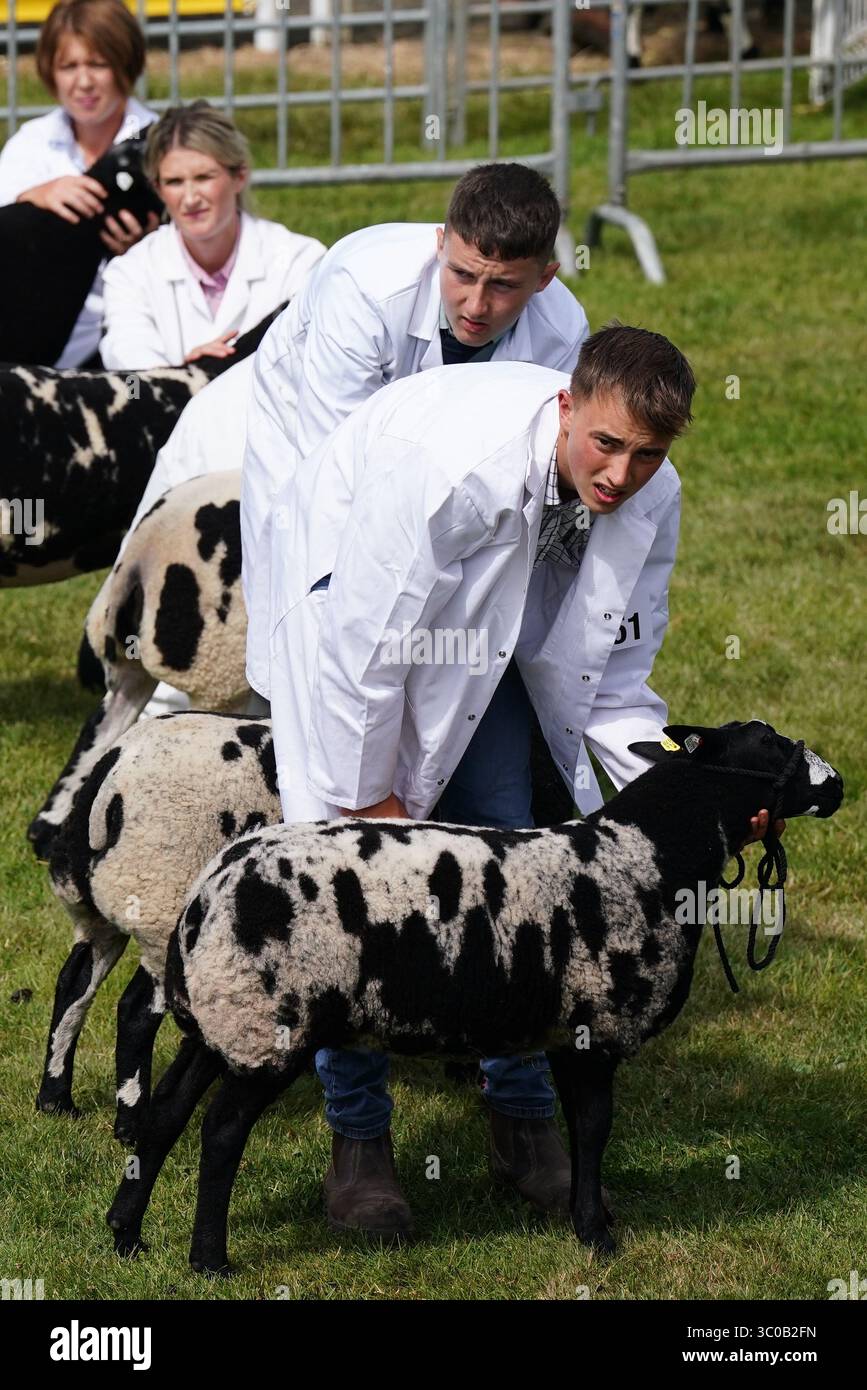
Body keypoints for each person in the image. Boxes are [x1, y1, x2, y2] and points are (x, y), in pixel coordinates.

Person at [253, 324, 698, 1239]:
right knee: (354, 900)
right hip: (348, 613)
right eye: (606, 444)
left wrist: (682, 795)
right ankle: (360, 1143)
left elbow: (615, 670)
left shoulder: (652, 496)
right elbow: (363, 646)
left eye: (646, 455)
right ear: (568, 406)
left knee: (511, 858)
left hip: (482, 644)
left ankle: (522, 1115)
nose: (620, 474)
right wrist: (372, 806)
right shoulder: (454, 466)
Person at [240, 161, 590, 679]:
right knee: (310, 579)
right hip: (307, 418)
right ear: (440, 243)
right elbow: (338, 466)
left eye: (504, 287)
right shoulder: (362, 290)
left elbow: (532, 471)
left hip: (448, 450)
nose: (476, 305)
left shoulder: (561, 332)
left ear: (544, 278)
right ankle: (283, 711)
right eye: (463, 274)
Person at [100, 100, 326, 370]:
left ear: (239, 176)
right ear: (158, 189)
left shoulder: (301, 261)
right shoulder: (129, 273)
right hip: (172, 411)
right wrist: (183, 377)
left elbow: (312, 362)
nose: (191, 198)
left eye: (204, 177)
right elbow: (127, 355)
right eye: (174, 182)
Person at [0, 0, 158, 368]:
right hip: (36, 333)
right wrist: (30, 199)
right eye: (68, 66)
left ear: (124, 65)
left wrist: (145, 249)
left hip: (135, 335)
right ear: (50, 72)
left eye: (98, 64)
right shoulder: (31, 142)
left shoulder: (162, 143)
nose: (83, 81)